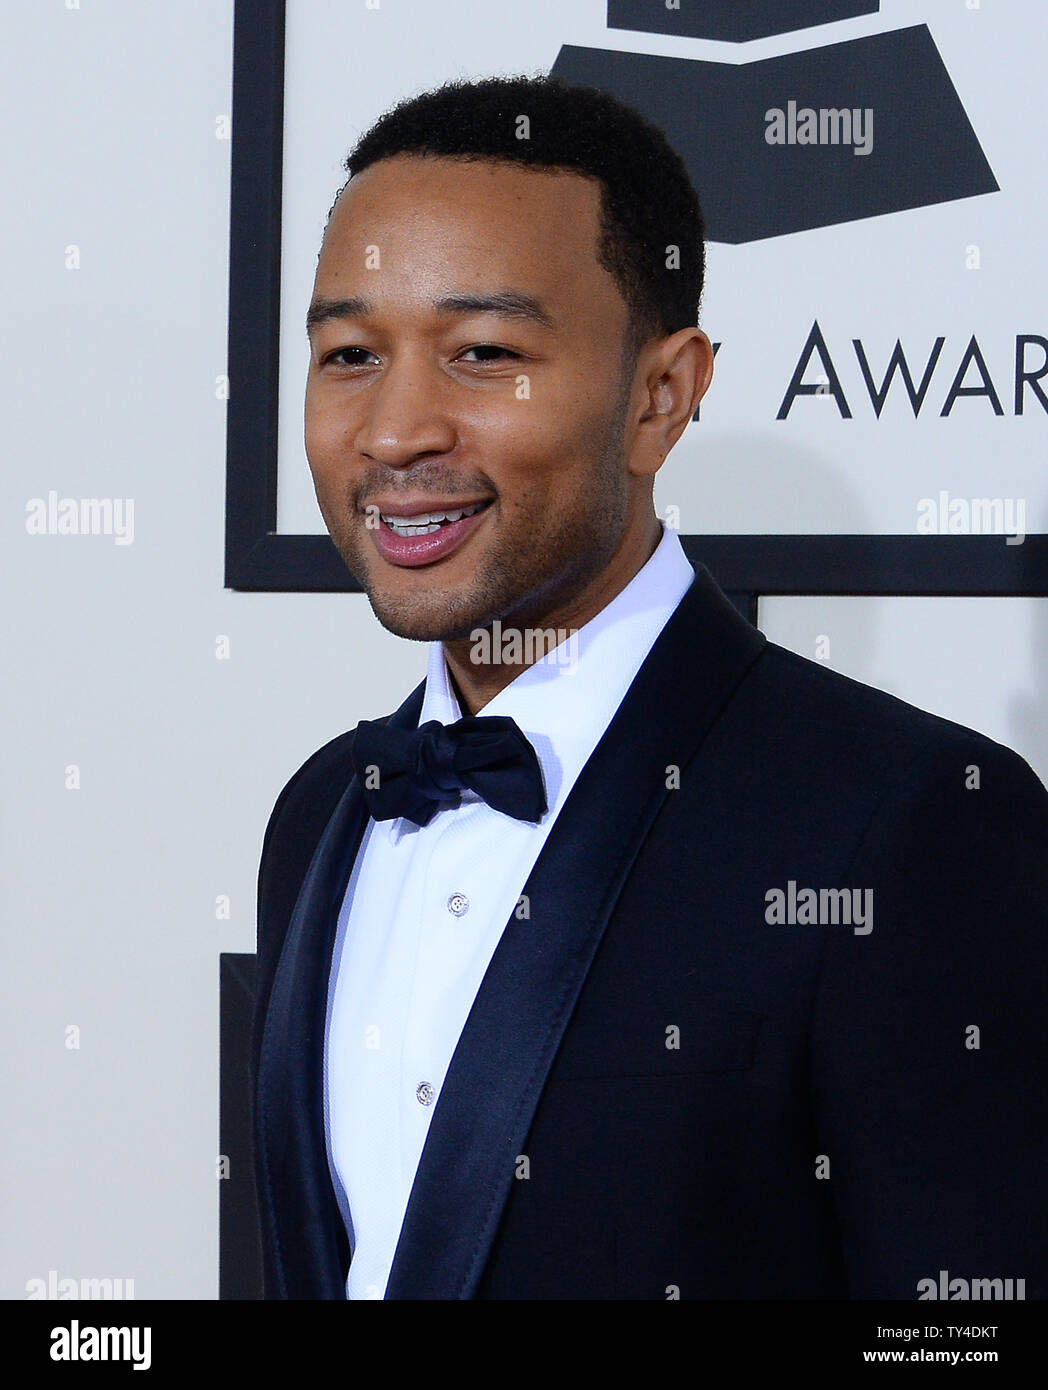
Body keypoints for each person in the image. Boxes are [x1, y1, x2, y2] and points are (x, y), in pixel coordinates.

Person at [251, 75, 1048, 1300]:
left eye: (483, 354)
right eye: (350, 354)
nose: (396, 428)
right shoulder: (323, 812)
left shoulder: (910, 819)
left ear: (658, 395)